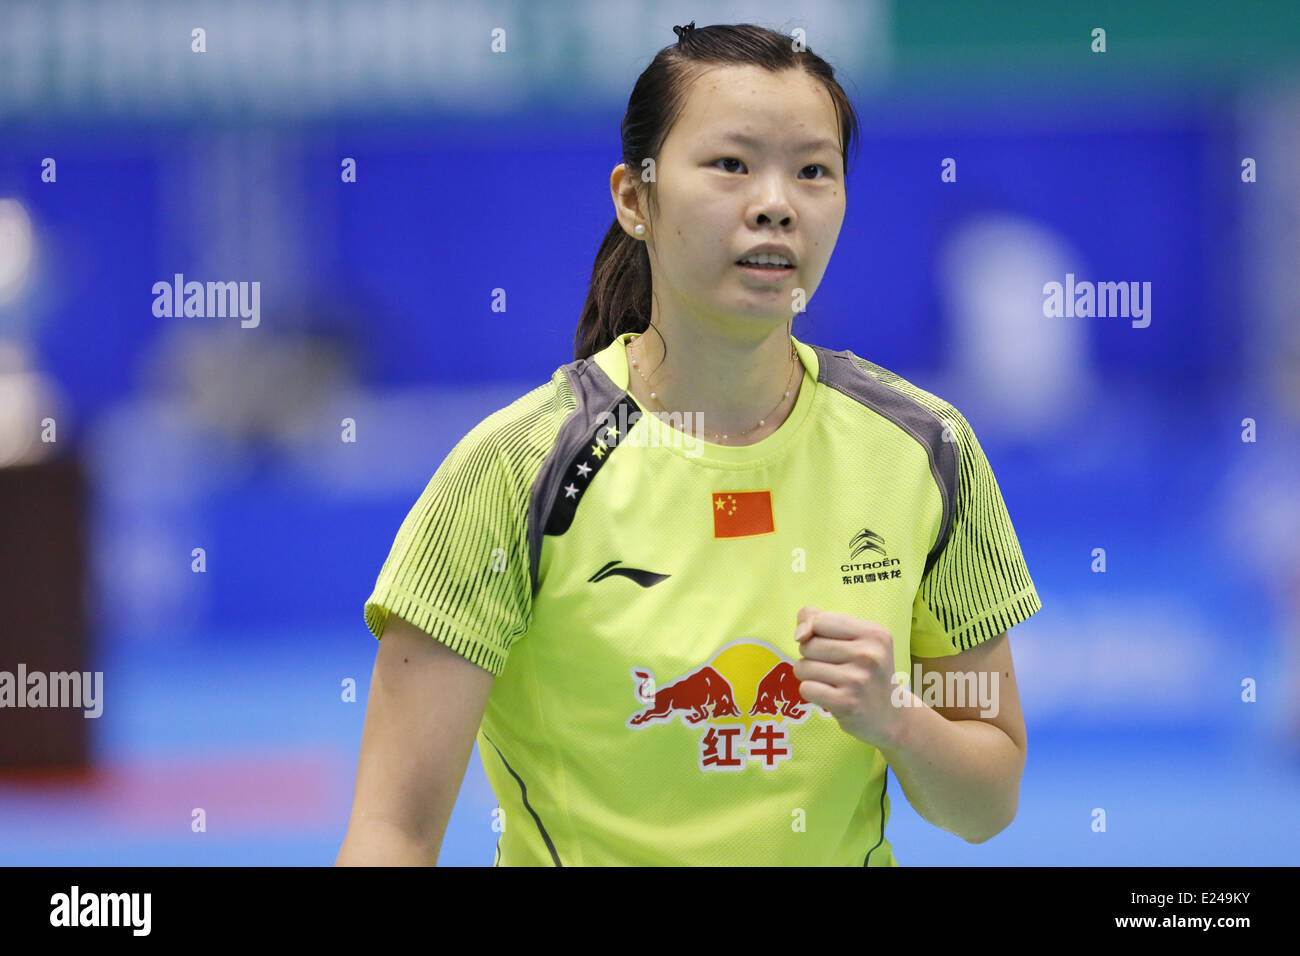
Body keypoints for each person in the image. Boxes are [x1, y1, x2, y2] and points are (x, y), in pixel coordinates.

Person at [337, 21, 1041, 867]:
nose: (775, 201)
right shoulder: (517, 470)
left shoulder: (925, 449)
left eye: (813, 170)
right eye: (731, 165)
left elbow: (987, 803)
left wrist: (896, 717)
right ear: (635, 198)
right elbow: (393, 833)